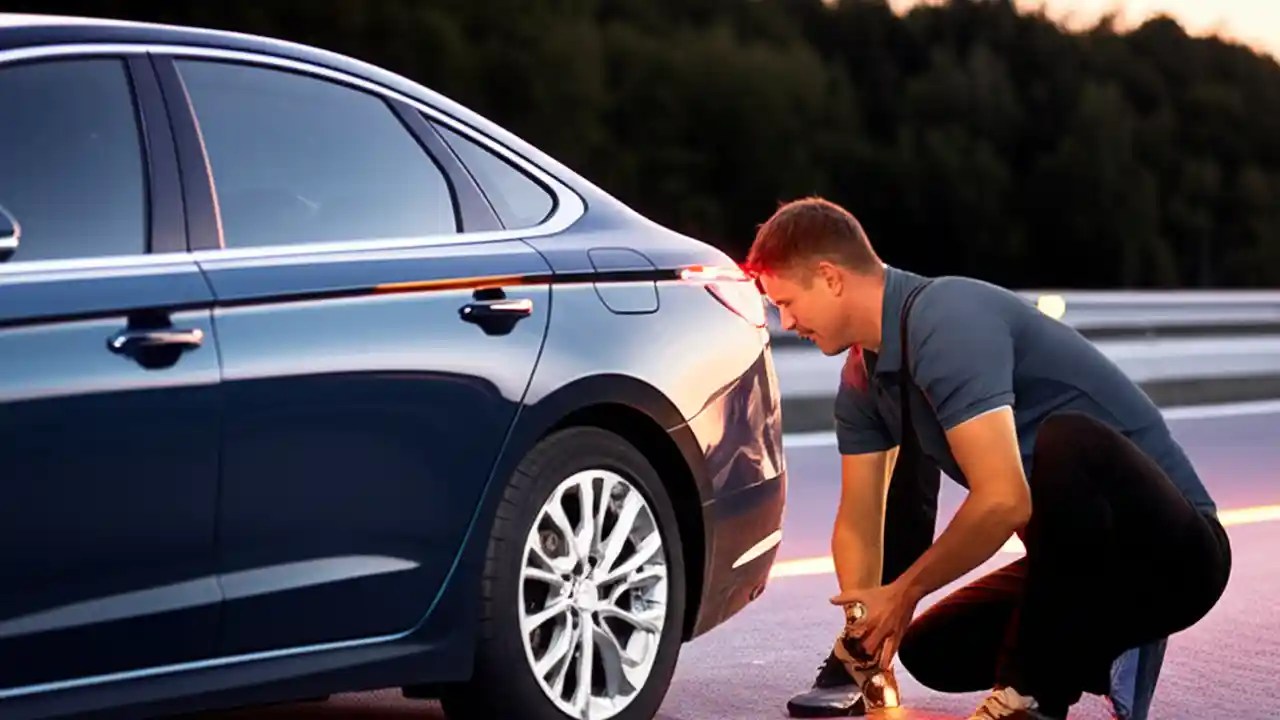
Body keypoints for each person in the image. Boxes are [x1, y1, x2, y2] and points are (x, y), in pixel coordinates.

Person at [748, 197, 1232, 720]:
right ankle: (1111, 645)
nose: (786, 321)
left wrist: (905, 592)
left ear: (830, 277)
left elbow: (1004, 501)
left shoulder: (948, 318)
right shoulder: (863, 382)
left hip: (1175, 555)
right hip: (1076, 570)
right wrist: (866, 625)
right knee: (931, 651)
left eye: (788, 301)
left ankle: (1032, 695)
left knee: (1066, 440)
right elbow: (860, 519)